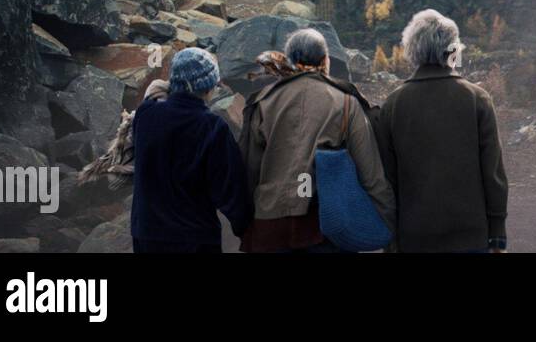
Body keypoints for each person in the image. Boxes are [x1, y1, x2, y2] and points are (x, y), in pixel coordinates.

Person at [238, 28, 395, 252]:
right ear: (325, 60)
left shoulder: (264, 102)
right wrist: (387, 222)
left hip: (270, 226)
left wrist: (245, 222)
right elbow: (371, 175)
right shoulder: (346, 102)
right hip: (324, 225)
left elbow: (250, 169)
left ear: (290, 61)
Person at [375, 9, 509, 252]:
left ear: (412, 50)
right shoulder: (477, 98)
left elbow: (387, 181)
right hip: (470, 237)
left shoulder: (394, 104)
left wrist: (390, 239)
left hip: (414, 239)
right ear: (453, 50)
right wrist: (497, 233)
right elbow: (493, 174)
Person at [130, 47, 252, 253]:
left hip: (146, 233)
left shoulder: (145, 115)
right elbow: (229, 189)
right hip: (193, 239)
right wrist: (245, 227)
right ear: (209, 87)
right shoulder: (211, 127)